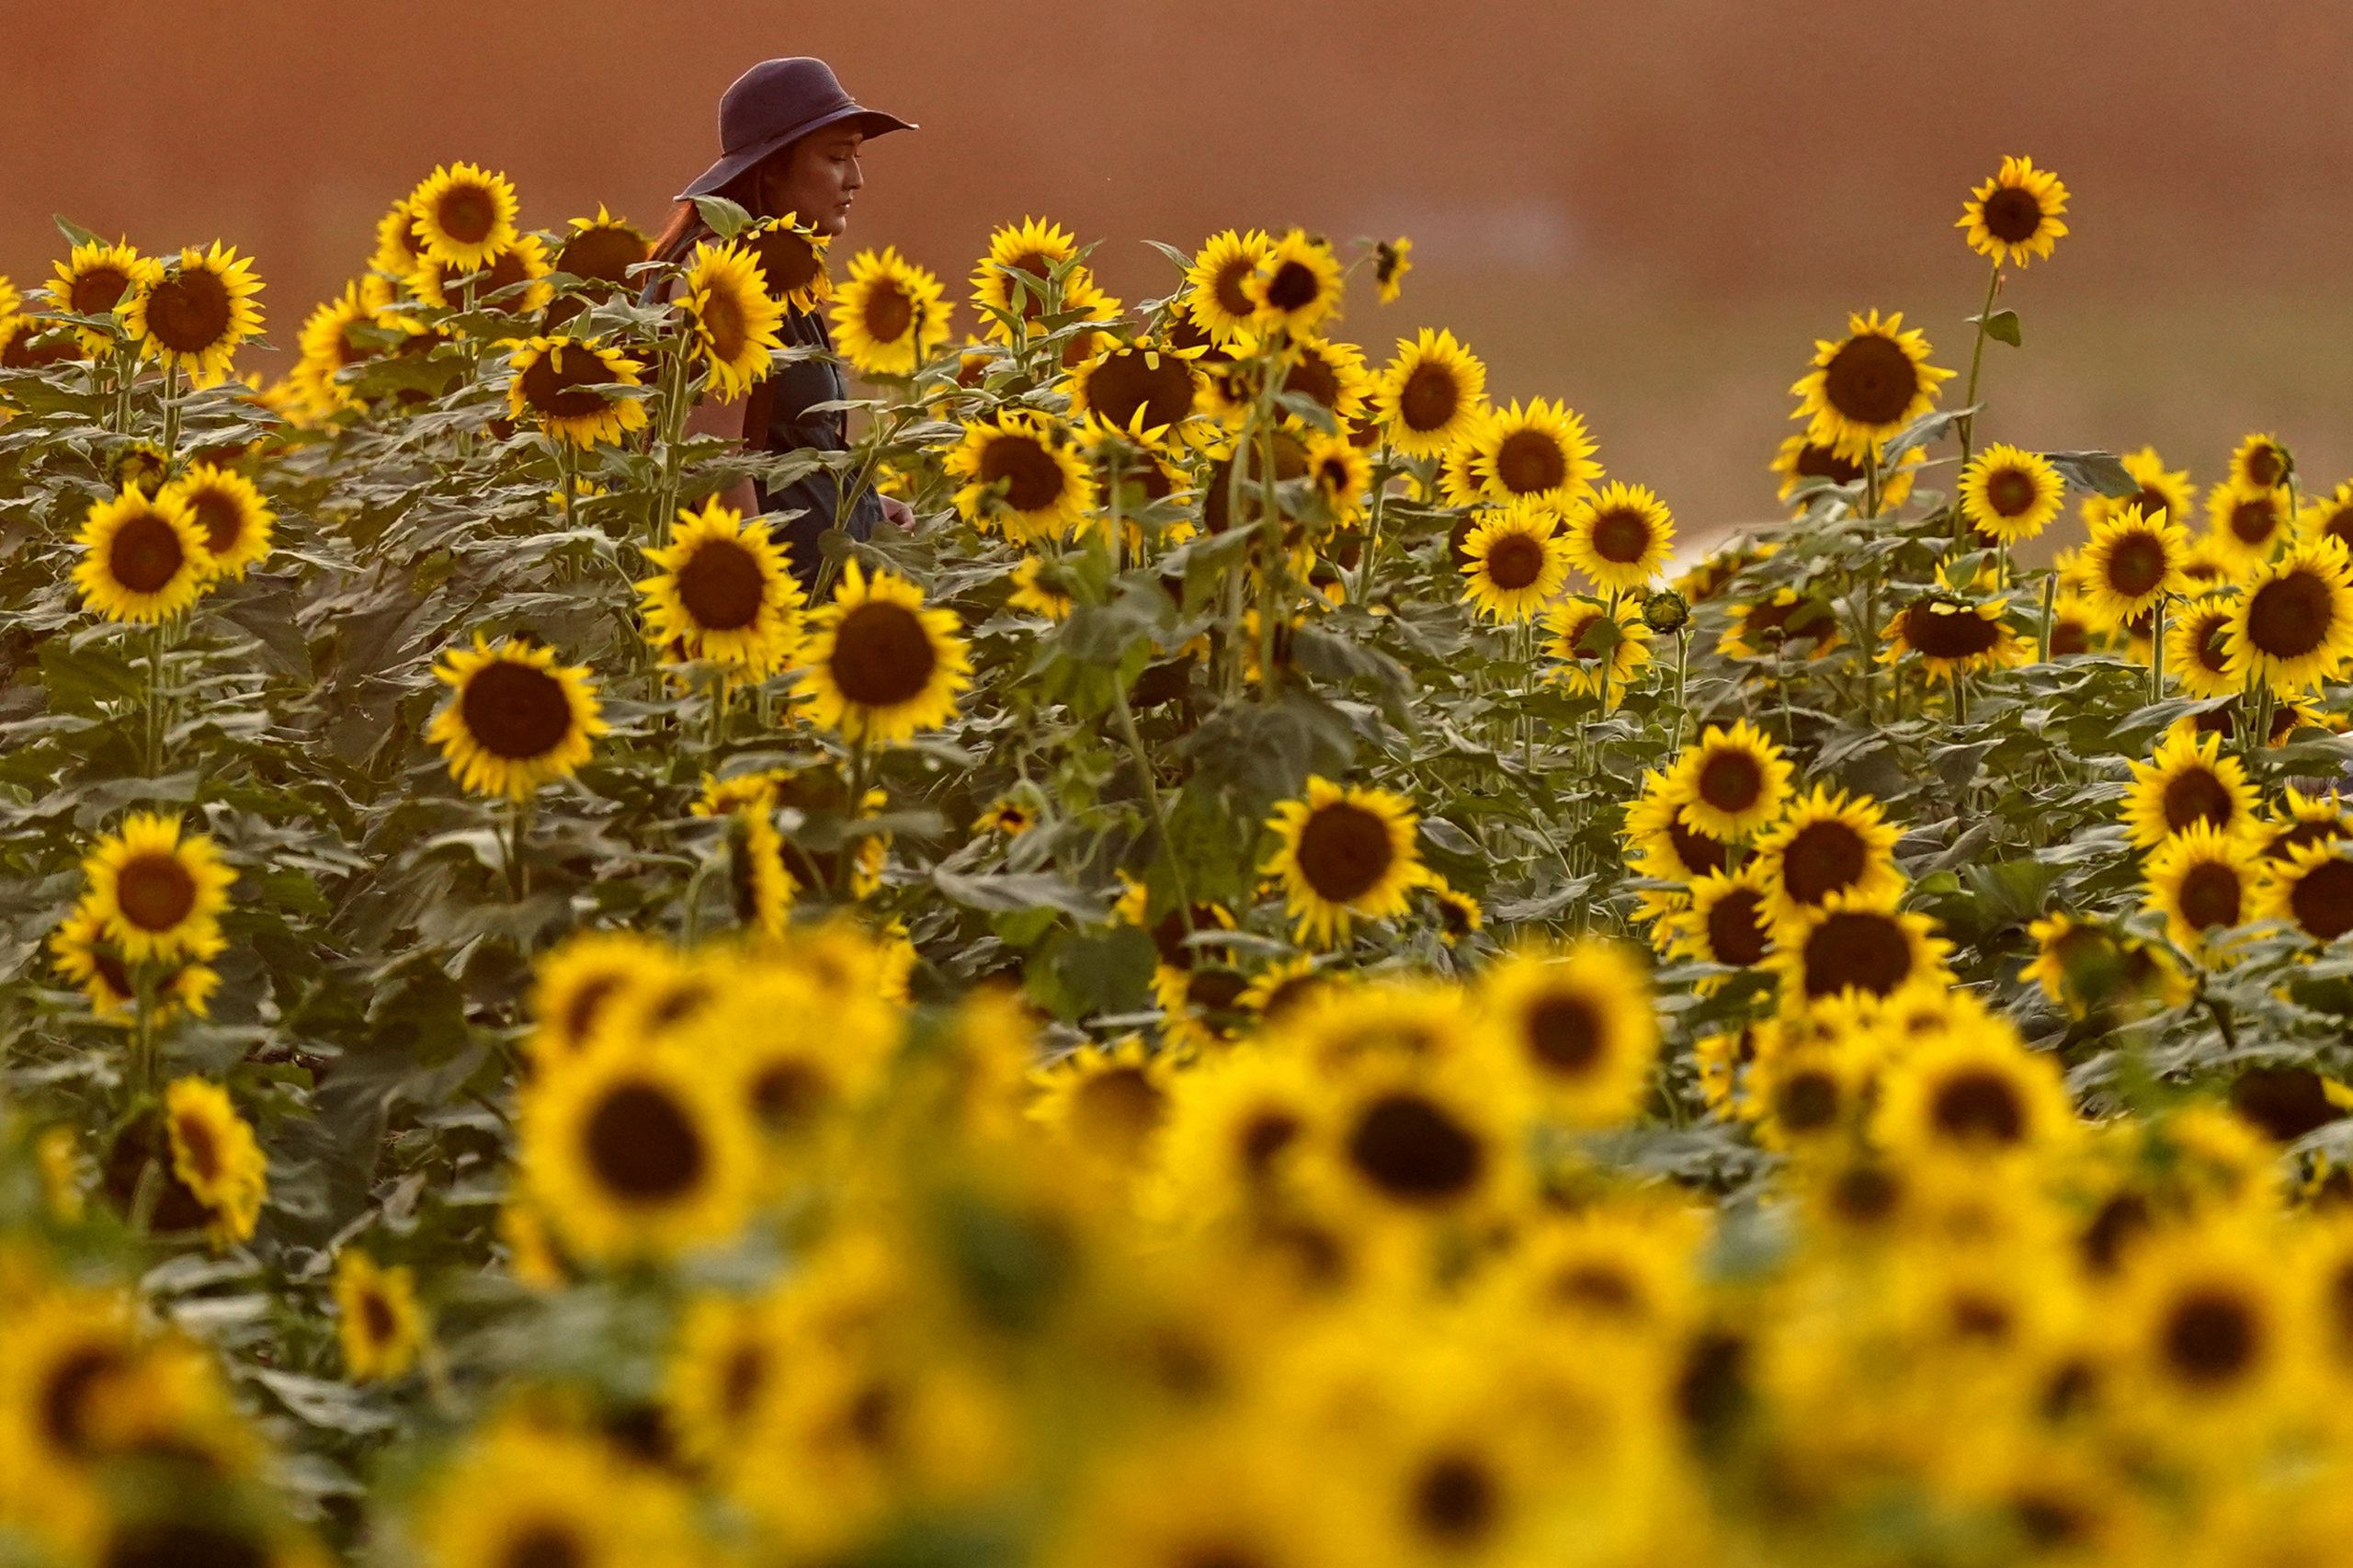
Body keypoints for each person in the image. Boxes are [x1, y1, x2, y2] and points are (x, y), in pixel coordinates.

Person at [646, 57, 919, 589]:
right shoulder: (722, 275)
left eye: (856, 157)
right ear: (769, 168)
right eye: (837, 157)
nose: (856, 179)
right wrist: (759, 599)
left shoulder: (777, 270)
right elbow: (711, 462)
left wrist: (860, 503)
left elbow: (782, 448)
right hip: (785, 606)